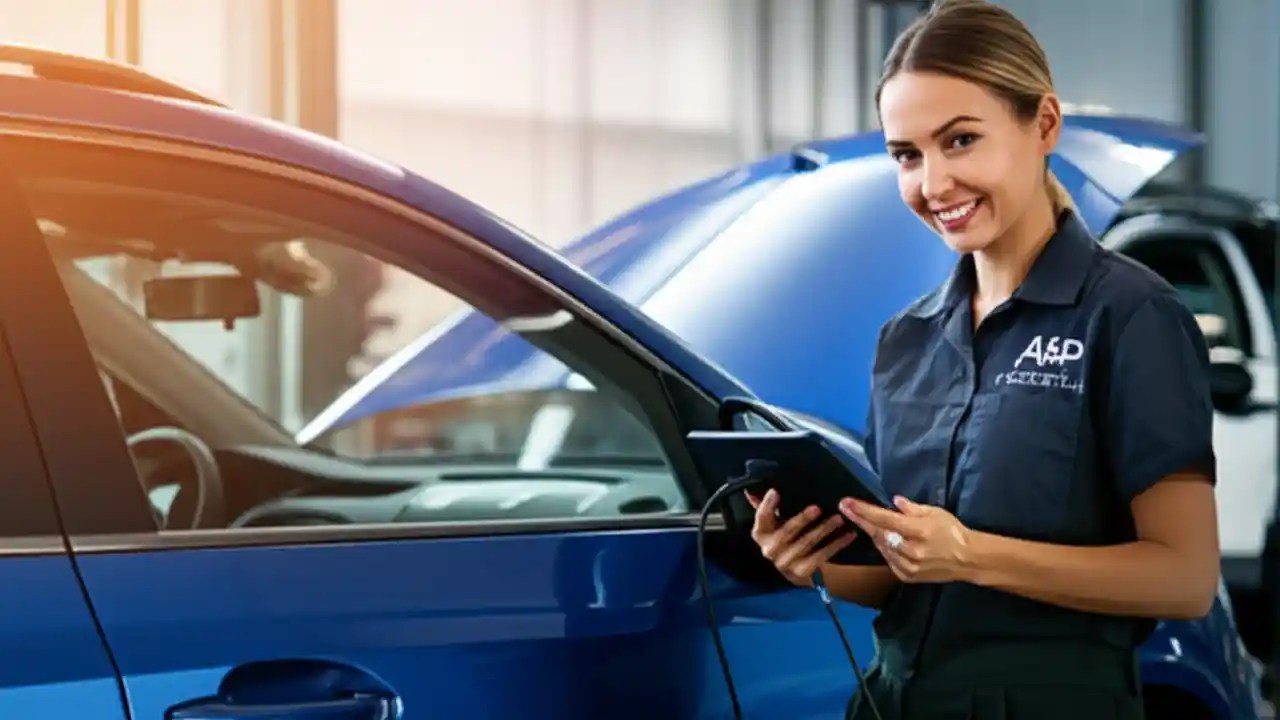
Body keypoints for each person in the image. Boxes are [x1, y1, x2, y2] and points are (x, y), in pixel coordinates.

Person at [746, 1, 1221, 718]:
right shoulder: (905, 340)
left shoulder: (1131, 318)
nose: (933, 185)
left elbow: (1183, 577)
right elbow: (904, 576)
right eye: (907, 155)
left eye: (961, 140)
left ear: (1045, 126)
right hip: (895, 701)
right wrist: (814, 566)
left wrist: (972, 554)